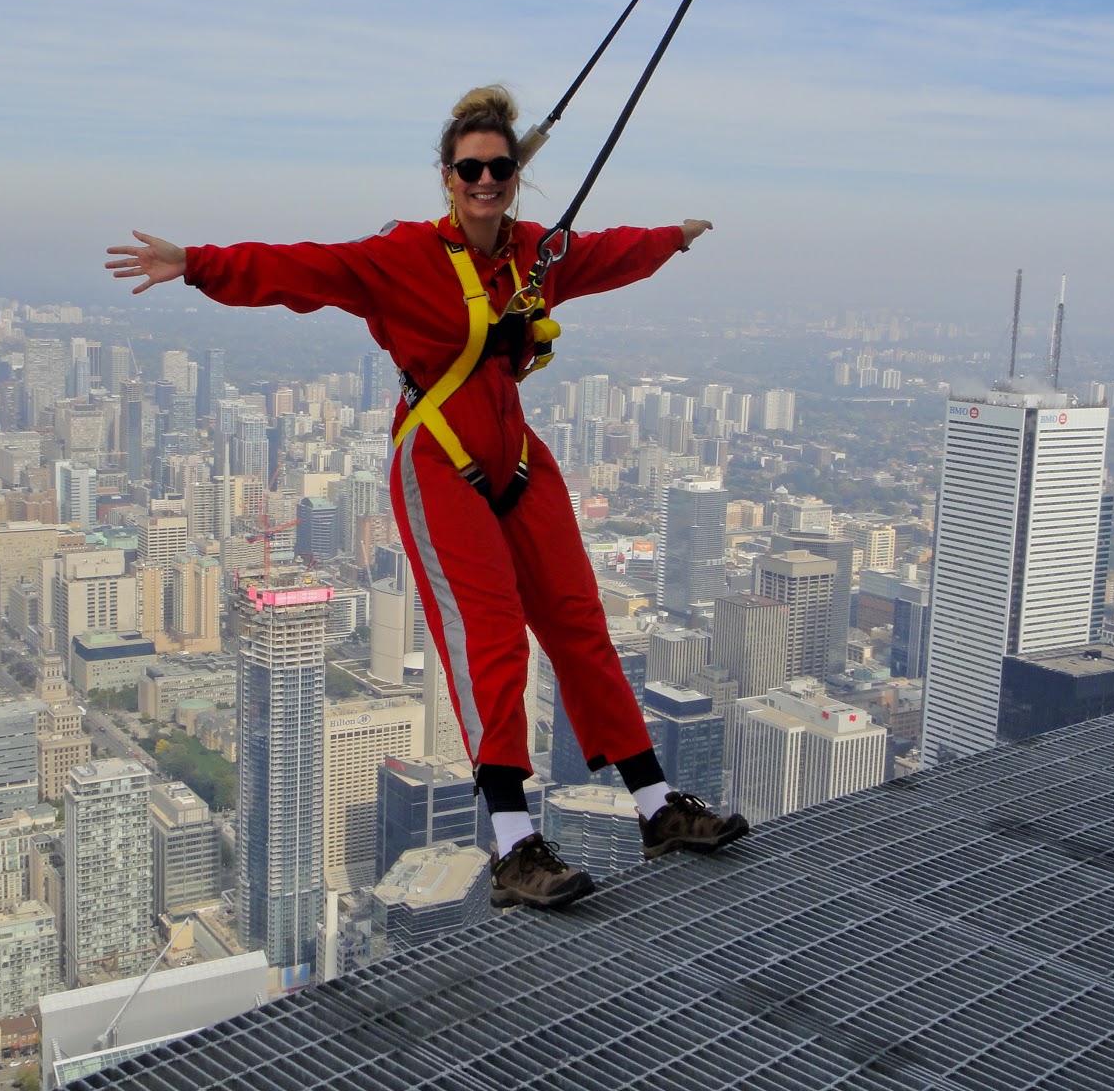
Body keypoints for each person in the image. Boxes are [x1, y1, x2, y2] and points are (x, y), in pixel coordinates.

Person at [108, 85, 748, 909]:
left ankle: (656, 805)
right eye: (470, 168)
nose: (486, 180)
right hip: (438, 461)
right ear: (447, 177)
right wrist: (196, 263)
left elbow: (603, 253)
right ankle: (515, 848)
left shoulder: (535, 254)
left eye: (499, 168)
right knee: (490, 635)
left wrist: (671, 240)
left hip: (519, 455)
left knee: (579, 621)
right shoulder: (402, 257)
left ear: (517, 175)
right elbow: (303, 268)